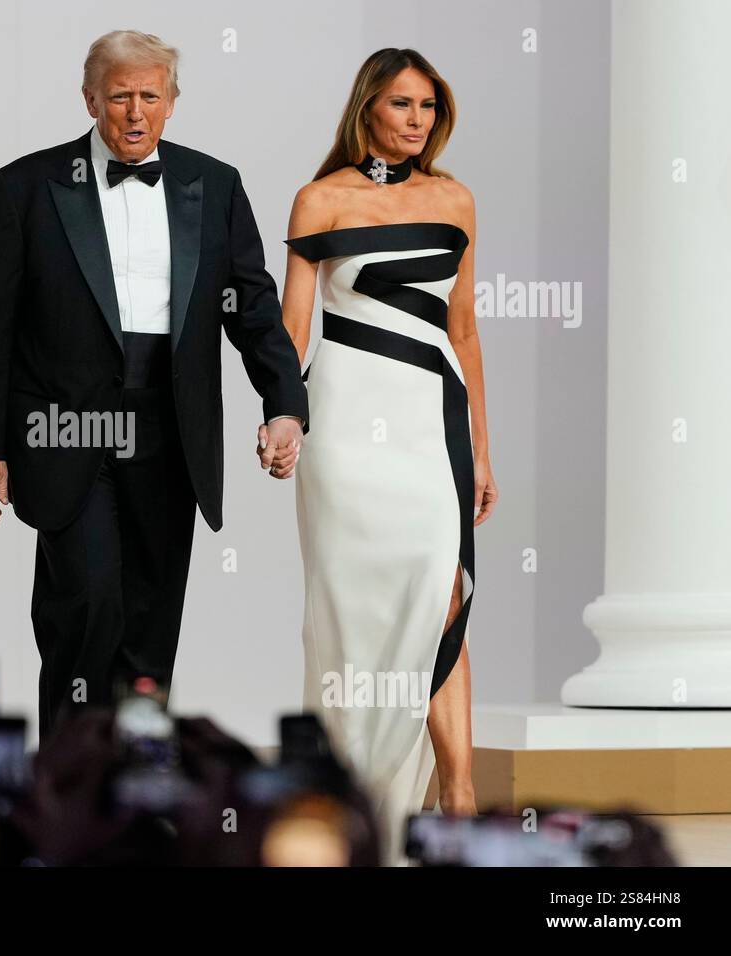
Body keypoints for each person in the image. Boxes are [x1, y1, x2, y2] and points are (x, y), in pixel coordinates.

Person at [0, 30, 307, 740]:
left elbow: (253, 307)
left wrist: (284, 406)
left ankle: (135, 793)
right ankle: (64, 789)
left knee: (150, 622)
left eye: (150, 96)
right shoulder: (25, 187)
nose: (135, 112)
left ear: (172, 104)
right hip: (63, 428)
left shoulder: (214, 185)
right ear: (90, 99)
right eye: (120, 96)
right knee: (85, 605)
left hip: (171, 426)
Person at [280, 48, 499, 865]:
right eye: (403, 105)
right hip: (344, 429)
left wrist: (481, 447)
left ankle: (460, 794)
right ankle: (346, 798)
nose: (417, 122)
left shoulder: (456, 199)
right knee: (352, 612)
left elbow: (466, 328)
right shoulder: (320, 200)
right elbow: (292, 328)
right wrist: (283, 417)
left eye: (429, 108)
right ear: (368, 106)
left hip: (429, 426)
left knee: (444, 595)